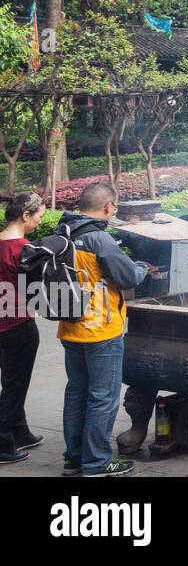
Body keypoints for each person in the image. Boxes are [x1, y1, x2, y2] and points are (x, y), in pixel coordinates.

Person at [58, 182, 151, 478]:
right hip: (100, 330)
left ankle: (74, 459)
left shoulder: (63, 232)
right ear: (108, 207)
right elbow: (127, 277)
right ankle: (97, 463)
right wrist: (141, 266)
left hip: (70, 326)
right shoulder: (99, 239)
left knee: (76, 392)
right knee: (103, 396)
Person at [0, 191, 45, 465]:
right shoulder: (24, 250)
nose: (40, 221)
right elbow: (37, 291)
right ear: (25, 215)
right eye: (38, 216)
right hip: (18, 325)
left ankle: (20, 431)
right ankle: (3, 444)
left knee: (10, 382)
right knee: (15, 387)